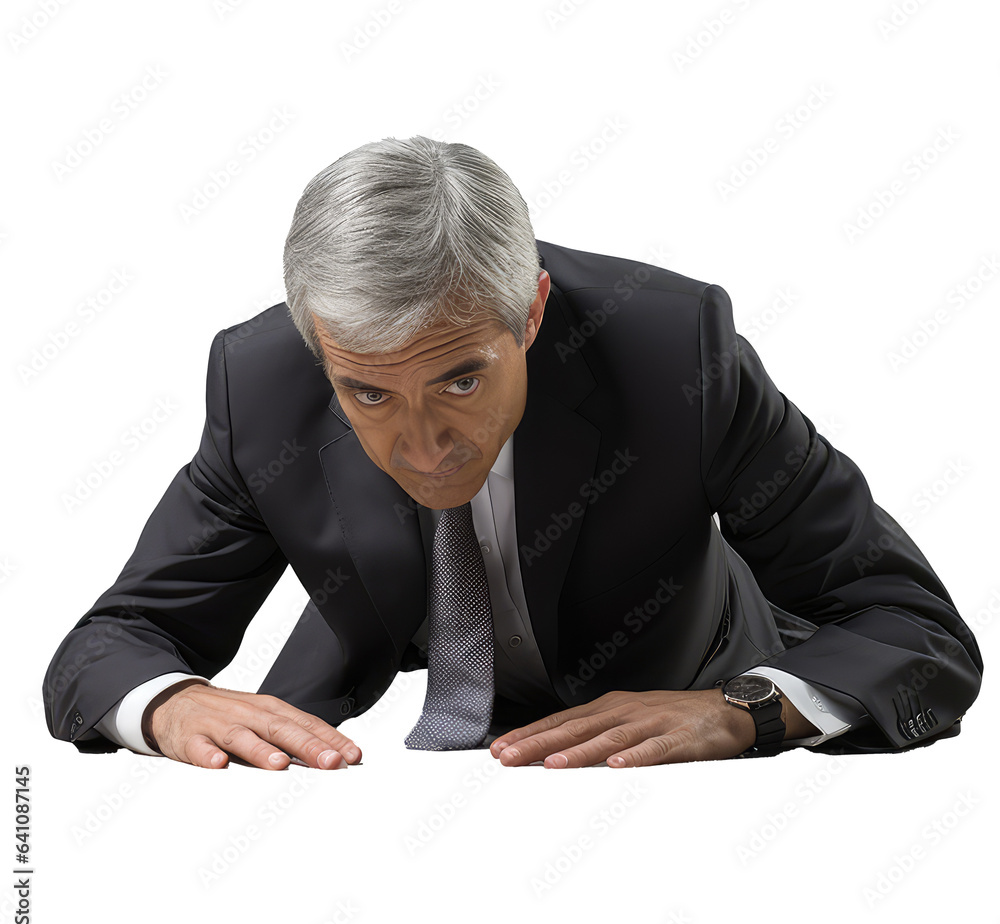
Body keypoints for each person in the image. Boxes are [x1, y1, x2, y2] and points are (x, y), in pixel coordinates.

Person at [42, 136, 983, 771]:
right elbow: (110, 643)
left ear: (530, 313)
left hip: (690, 695)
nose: (422, 449)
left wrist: (745, 711)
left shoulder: (676, 355)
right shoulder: (262, 383)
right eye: (369, 394)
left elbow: (917, 630)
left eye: (460, 381)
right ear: (319, 347)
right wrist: (168, 704)